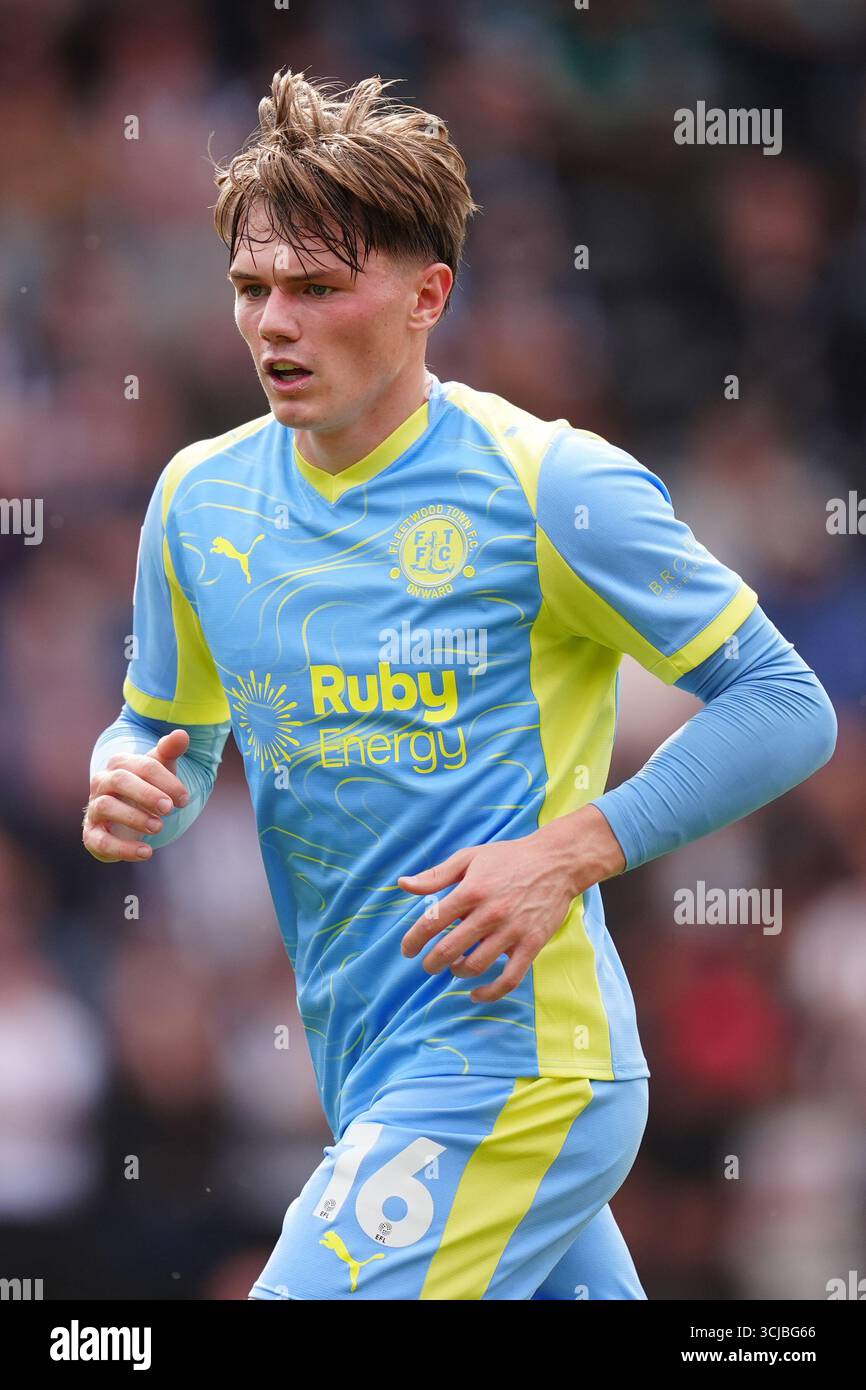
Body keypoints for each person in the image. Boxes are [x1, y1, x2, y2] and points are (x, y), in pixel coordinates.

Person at [83, 70, 837, 1300]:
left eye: (319, 289)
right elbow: (168, 730)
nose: (276, 323)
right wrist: (129, 775)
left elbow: (782, 701)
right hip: (370, 1071)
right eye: (252, 288)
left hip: (519, 1065)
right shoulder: (197, 501)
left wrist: (570, 849)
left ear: (427, 295)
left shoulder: (551, 487)